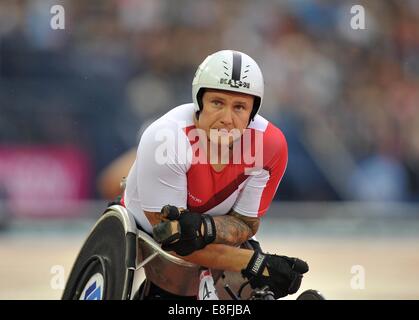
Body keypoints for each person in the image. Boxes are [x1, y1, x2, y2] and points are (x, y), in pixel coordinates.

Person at [122, 49, 309, 299]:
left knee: (256, 288)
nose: (227, 119)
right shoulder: (166, 139)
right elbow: (171, 238)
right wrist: (257, 263)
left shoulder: (269, 145)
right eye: (217, 103)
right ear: (199, 102)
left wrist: (206, 227)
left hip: (209, 232)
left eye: (240, 107)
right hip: (148, 232)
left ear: (252, 113)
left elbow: (246, 224)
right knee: (180, 283)